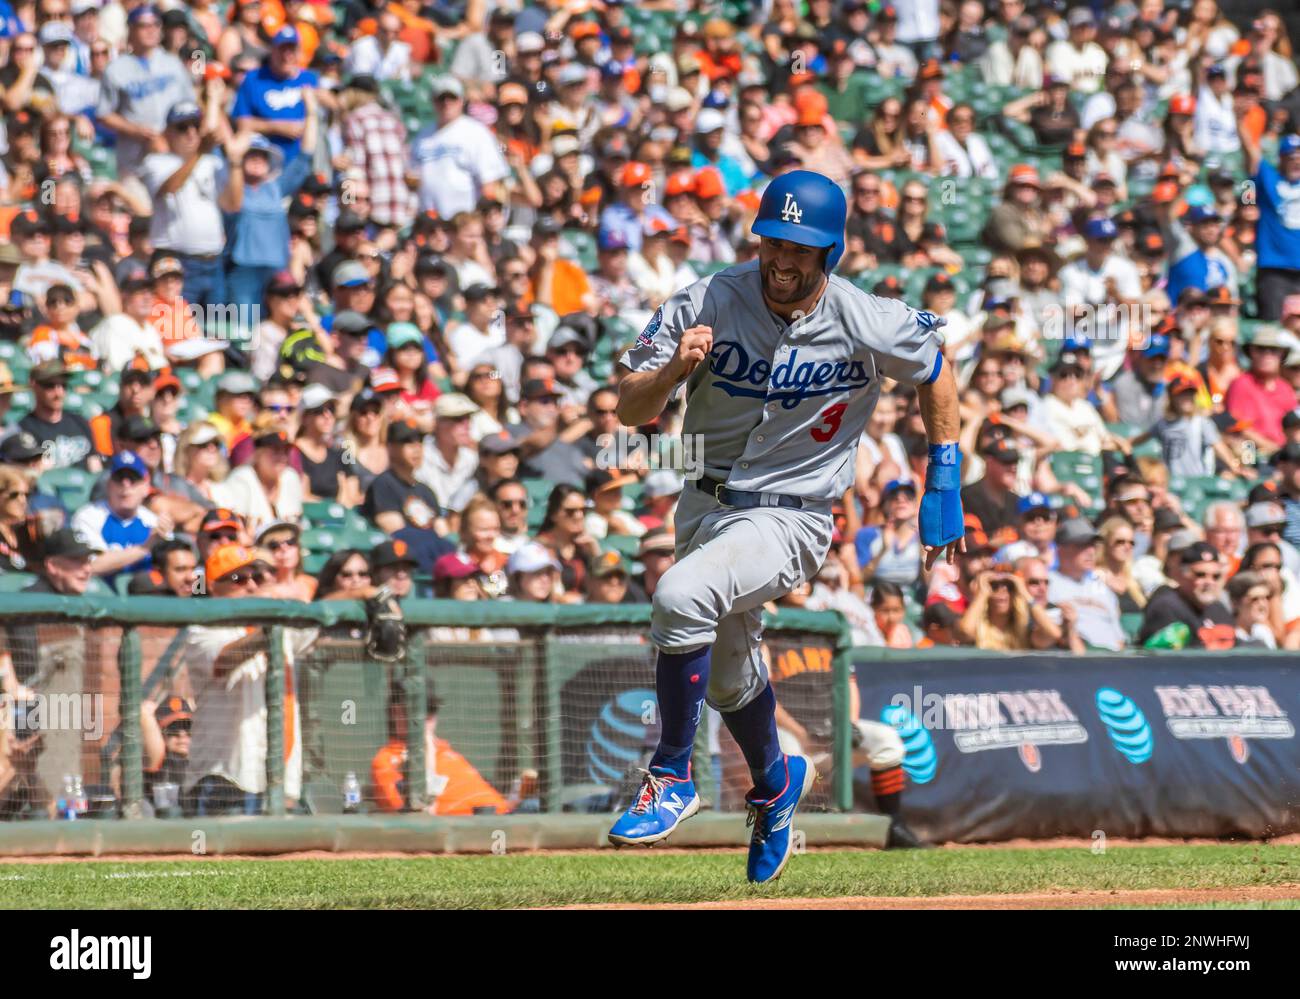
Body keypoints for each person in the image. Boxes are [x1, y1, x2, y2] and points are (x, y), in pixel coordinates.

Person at [606, 170, 961, 885]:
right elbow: (627, 409)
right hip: (705, 504)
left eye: (800, 247)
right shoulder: (708, 299)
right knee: (730, 676)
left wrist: (944, 480)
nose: (782, 259)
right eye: (773, 241)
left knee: (680, 598)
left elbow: (936, 368)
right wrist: (675, 370)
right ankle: (775, 780)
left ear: (828, 251)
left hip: (791, 514)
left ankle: (672, 775)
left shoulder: (864, 317)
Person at [183, 543, 313, 815]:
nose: (251, 585)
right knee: (218, 858)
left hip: (279, 777)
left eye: (257, 576)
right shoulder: (203, 627)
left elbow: (313, 611)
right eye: (238, 578)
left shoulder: (279, 624)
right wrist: (270, 625)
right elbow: (224, 660)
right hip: (226, 778)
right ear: (213, 587)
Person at [1138, 540, 1235, 649]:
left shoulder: (1219, 609)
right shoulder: (1165, 607)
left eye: (1215, 576)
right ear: (1182, 575)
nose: (1209, 582)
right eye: (1200, 575)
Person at [1047, 517, 1125, 651]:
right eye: (1081, 545)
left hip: (1114, 661)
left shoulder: (1102, 588)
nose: (1091, 551)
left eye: (1092, 545)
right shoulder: (1046, 583)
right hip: (1074, 662)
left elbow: (1119, 640)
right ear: (1060, 550)